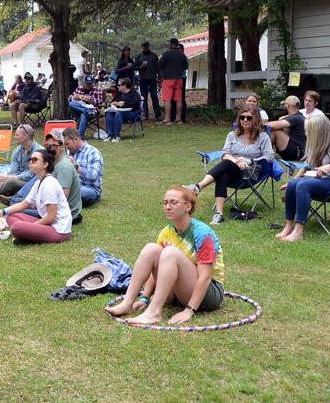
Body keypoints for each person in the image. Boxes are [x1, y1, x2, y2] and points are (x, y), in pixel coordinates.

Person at [105, 186, 226, 325]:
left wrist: (189, 310)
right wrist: (145, 297)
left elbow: (205, 277)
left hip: (209, 294)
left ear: (188, 206)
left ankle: (154, 312)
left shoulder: (203, 233)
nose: (168, 207)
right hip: (179, 293)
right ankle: (127, 303)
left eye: (174, 202)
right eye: (165, 203)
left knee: (170, 252)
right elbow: (154, 265)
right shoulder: (167, 232)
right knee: (151, 249)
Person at [184, 105, 275, 224]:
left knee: (224, 169)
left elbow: (270, 156)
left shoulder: (263, 137)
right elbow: (225, 153)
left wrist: (248, 161)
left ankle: (197, 187)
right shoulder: (232, 135)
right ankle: (219, 214)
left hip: (250, 171)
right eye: (242, 117)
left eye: (249, 118)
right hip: (233, 169)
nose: (245, 120)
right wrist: (236, 161)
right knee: (224, 170)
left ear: (255, 120)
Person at [275, 112, 330, 242]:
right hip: (320, 180)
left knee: (303, 184)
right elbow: (307, 165)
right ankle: (288, 226)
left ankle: (299, 230)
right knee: (294, 183)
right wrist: (294, 179)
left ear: (318, 131)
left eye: (308, 131)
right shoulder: (313, 143)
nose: (305, 133)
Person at [0, 148, 73, 244]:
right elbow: (25, 204)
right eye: (30, 159)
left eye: (34, 160)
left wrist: (32, 226)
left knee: (17, 227)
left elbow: (51, 217)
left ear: (45, 164)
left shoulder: (49, 184)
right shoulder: (39, 182)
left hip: (58, 230)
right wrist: (3, 211)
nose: (30, 162)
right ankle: (27, 235)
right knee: (11, 216)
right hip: (47, 224)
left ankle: (26, 235)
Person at [5, 129, 83, 222]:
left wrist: (37, 205)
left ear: (62, 147)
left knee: (16, 212)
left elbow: (62, 199)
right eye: (47, 145)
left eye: (54, 146)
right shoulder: (54, 162)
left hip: (64, 214)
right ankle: (16, 200)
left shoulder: (63, 167)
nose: (49, 149)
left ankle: (16, 201)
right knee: (16, 206)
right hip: (52, 208)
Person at [62, 127, 103, 206]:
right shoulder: (68, 153)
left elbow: (92, 176)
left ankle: (61, 200)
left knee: (83, 194)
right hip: (70, 187)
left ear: (75, 139)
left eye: (67, 144)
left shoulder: (93, 152)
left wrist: (77, 167)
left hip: (90, 189)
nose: (66, 147)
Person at [157, 39, 188, 124]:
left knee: (167, 99)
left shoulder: (167, 54)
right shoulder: (182, 54)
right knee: (178, 99)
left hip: (168, 78)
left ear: (172, 44)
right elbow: (185, 66)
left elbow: (159, 64)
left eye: (169, 43)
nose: (168, 44)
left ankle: (167, 118)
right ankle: (178, 119)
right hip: (179, 78)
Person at [266, 95, 306, 161]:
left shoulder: (296, 118)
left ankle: (264, 154)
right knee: (278, 129)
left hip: (297, 152)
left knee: (276, 132)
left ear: (287, 105)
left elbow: (270, 125)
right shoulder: (298, 116)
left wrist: (256, 124)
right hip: (297, 151)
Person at [104, 78, 142, 142]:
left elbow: (136, 104)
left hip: (133, 114)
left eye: (119, 85)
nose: (117, 86)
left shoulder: (134, 93)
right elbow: (112, 103)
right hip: (118, 113)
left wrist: (124, 103)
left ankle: (116, 136)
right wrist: (112, 104)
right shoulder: (118, 94)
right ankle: (110, 135)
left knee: (119, 113)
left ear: (124, 86)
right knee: (108, 113)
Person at [135, 41, 162, 120]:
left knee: (154, 97)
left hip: (153, 79)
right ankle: (145, 114)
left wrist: (160, 77)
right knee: (144, 97)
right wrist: (140, 67)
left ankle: (158, 114)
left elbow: (158, 68)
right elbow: (134, 67)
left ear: (149, 46)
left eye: (147, 46)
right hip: (143, 79)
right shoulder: (139, 56)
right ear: (142, 47)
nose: (145, 47)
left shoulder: (154, 55)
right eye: (144, 46)